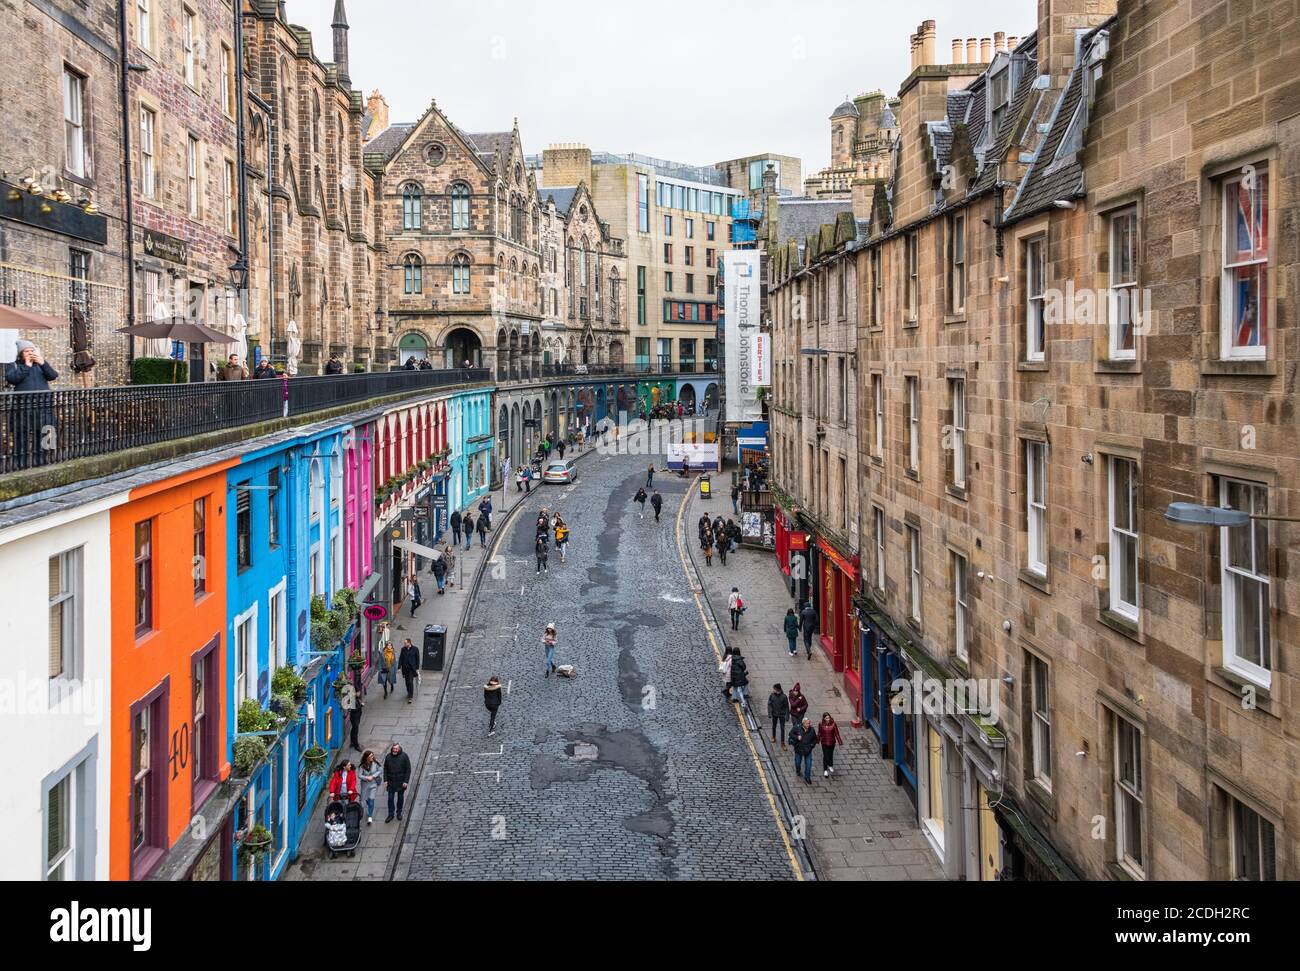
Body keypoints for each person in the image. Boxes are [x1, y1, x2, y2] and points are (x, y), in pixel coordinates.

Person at [383, 743, 411, 821]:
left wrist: (406, 781)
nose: (394, 750)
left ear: (399, 749)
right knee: (390, 798)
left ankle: (399, 813)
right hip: (391, 781)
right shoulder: (388, 757)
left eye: (396, 749)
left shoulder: (404, 756)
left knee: (400, 797)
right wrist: (385, 780)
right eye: (393, 748)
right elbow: (385, 769)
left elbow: (408, 769)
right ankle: (391, 814)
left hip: (401, 781)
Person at [789, 718, 817, 785]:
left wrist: (811, 746)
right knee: (797, 762)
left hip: (808, 750)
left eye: (809, 723)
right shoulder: (797, 728)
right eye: (807, 723)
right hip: (799, 749)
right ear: (803, 723)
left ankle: (807, 777)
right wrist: (797, 737)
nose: (808, 725)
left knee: (809, 764)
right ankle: (798, 770)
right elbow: (790, 734)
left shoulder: (812, 730)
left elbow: (815, 739)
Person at [357, 750, 382, 824]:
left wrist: (373, 776)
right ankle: (370, 807)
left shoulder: (375, 763)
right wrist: (366, 778)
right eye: (370, 756)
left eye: (372, 755)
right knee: (366, 799)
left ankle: (370, 816)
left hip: (373, 785)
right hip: (365, 786)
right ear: (366, 757)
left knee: (371, 801)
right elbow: (359, 775)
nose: (372, 757)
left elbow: (380, 770)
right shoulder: (362, 766)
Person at [818, 712, 844, 778]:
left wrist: (840, 742)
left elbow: (836, 733)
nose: (828, 719)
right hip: (824, 742)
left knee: (830, 755)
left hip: (832, 742)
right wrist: (817, 740)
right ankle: (825, 770)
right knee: (825, 756)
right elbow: (819, 733)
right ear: (824, 718)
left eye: (829, 717)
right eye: (826, 718)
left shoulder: (833, 724)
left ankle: (830, 765)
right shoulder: (821, 724)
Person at [398, 638, 420, 704]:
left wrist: (417, 668)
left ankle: (410, 696)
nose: (404, 644)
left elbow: (417, 659)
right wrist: (399, 667)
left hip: (412, 669)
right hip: (405, 669)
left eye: (405, 643)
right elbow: (401, 658)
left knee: (410, 682)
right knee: (407, 682)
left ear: (409, 643)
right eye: (404, 643)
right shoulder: (403, 649)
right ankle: (408, 692)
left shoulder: (415, 649)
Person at [768, 684, 791, 749]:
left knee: (782, 728)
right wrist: (770, 713)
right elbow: (769, 704)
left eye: (774, 689)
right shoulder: (772, 695)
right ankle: (773, 736)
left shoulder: (784, 697)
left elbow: (787, 706)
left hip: (781, 714)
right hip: (774, 714)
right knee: (774, 726)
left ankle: (782, 743)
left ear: (777, 689)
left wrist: (787, 716)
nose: (773, 690)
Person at [376, 624, 395, 699]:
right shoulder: (382, 652)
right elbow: (380, 660)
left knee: (390, 680)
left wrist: (394, 668)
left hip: (390, 668)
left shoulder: (392, 652)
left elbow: (394, 662)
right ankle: (385, 692)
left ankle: (392, 685)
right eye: (388, 646)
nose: (389, 646)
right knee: (384, 681)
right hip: (384, 669)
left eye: (390, 645)